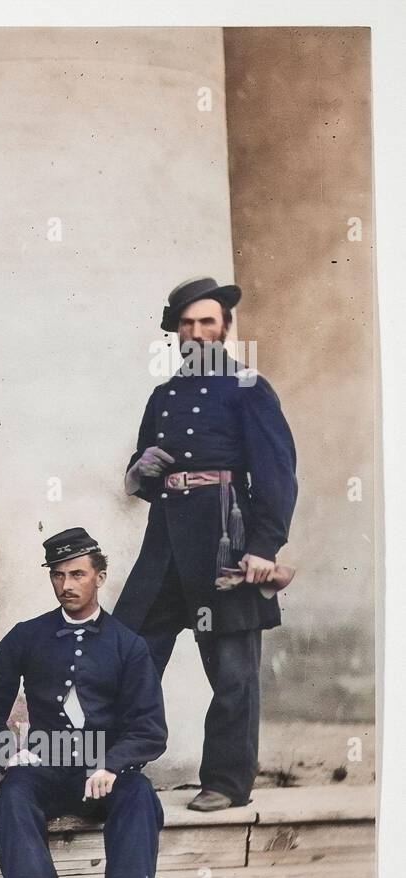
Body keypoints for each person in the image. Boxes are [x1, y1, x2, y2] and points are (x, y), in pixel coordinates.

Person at [114, 277, 298, 811]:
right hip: (166, 543)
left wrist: (264, 548)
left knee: (233, 670)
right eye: (188, 324)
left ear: (224, 328)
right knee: (129, 653)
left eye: (208, 322)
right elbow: (143, 477)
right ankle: (117, 772)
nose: (197, 332)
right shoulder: (163, 395)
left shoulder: (250, 388)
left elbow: (277, 475)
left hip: (226, 539)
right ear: (176, 332)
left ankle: (225, 781)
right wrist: (138, 471)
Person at [0, 528, 168, 878]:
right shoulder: (28, 635)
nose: (67, 586)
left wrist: (113, 764)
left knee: (140, 797)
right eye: (58, 576)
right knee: (15, 792)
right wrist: (7, 751)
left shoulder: (128, 645)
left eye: (77, 574)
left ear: (101, 576)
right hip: (49, 766)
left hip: (105, 774)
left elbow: (149, 727)